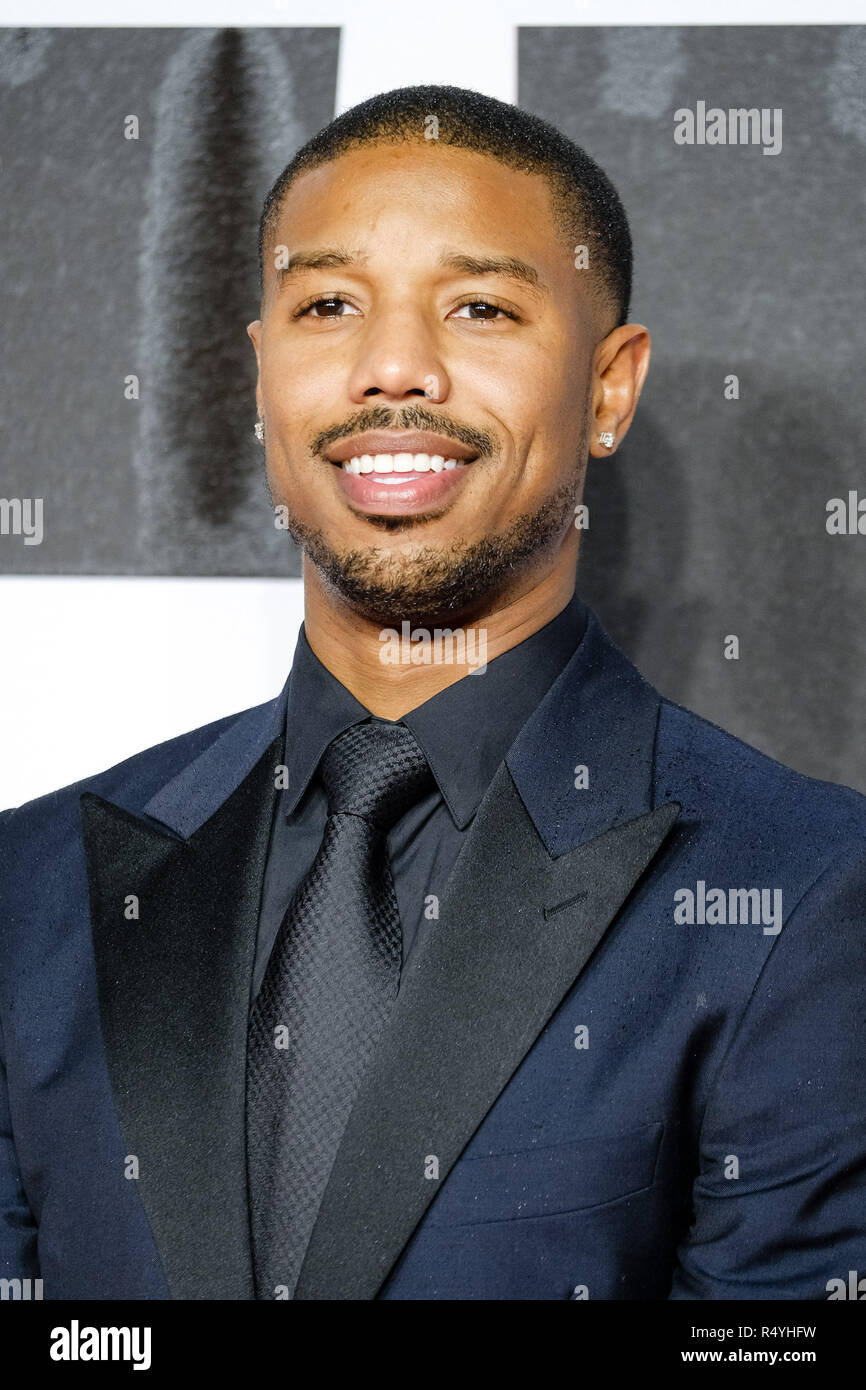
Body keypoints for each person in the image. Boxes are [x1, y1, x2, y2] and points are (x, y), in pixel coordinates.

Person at [1, 85, 864, 1302]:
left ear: (608, 391)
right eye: (327, 305)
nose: (391, 366)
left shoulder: (802, 891)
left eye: (478, 306)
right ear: (260, 380)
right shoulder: (30, 889)